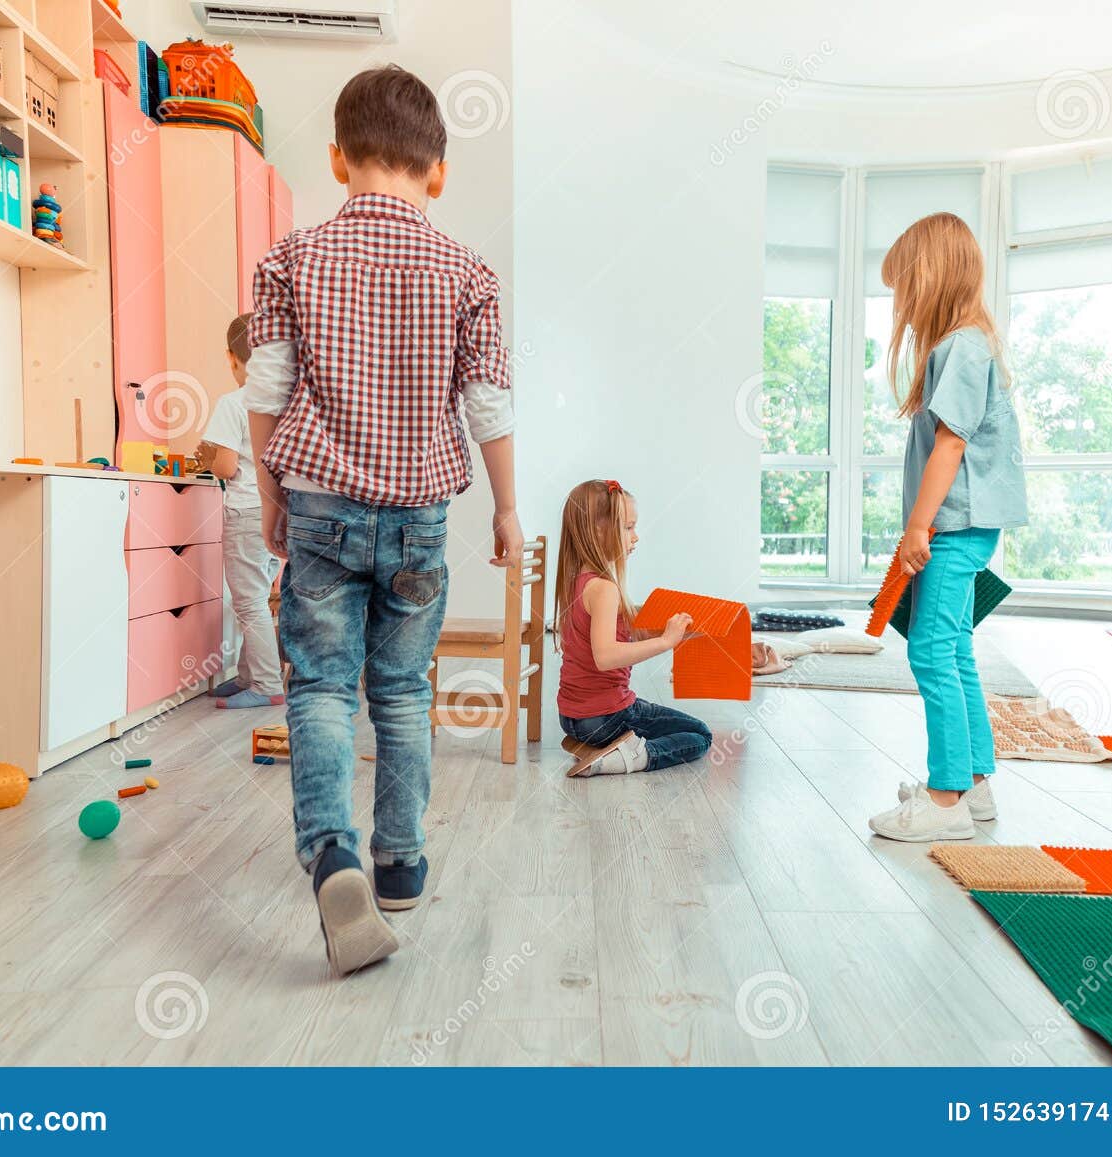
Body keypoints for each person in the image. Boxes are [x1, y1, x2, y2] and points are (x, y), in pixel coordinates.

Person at [243, 65, 522, 975]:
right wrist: (510, 508)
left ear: (336, 160)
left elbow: (267, 389)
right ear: (437, 173)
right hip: (418, 521)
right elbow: (488, 403)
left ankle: (333, 853)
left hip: (320, 506)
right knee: (401, 692)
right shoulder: (467, 272)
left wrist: (274, 493)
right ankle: (400, 861)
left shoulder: (290, 258)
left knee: (321, 688)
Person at [867, 212, 1028, 842]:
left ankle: (944, 799)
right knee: (953, 646)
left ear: (930, 278)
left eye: (905, 286)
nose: (901, 303)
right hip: (964, 525)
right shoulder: (965, 342)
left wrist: (917, 528)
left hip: (955, 527)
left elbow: (950, 446)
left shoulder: (962, 345)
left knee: (930, 649)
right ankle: (972, 783)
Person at [553, 479, 712, 776]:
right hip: (605, 718)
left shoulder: (575, 582)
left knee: (665, 721)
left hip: (571, 718)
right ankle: (633, 758)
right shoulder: (604, 589)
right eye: (627, 528)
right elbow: (606, 656)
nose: (635, 537)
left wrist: (664, 629)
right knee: (700, 734)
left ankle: (612, 749)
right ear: (597, 530)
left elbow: (610, 637)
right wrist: (666, 642)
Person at [197, 313, 285, 710]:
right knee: (258, 598)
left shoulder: (234, 401)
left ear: (231, 358)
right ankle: (249, 675)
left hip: (247, 509)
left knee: (248, 600)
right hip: (280, 513)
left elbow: (227, 468)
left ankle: (266, 684)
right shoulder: (285, 398)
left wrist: (209, 457)